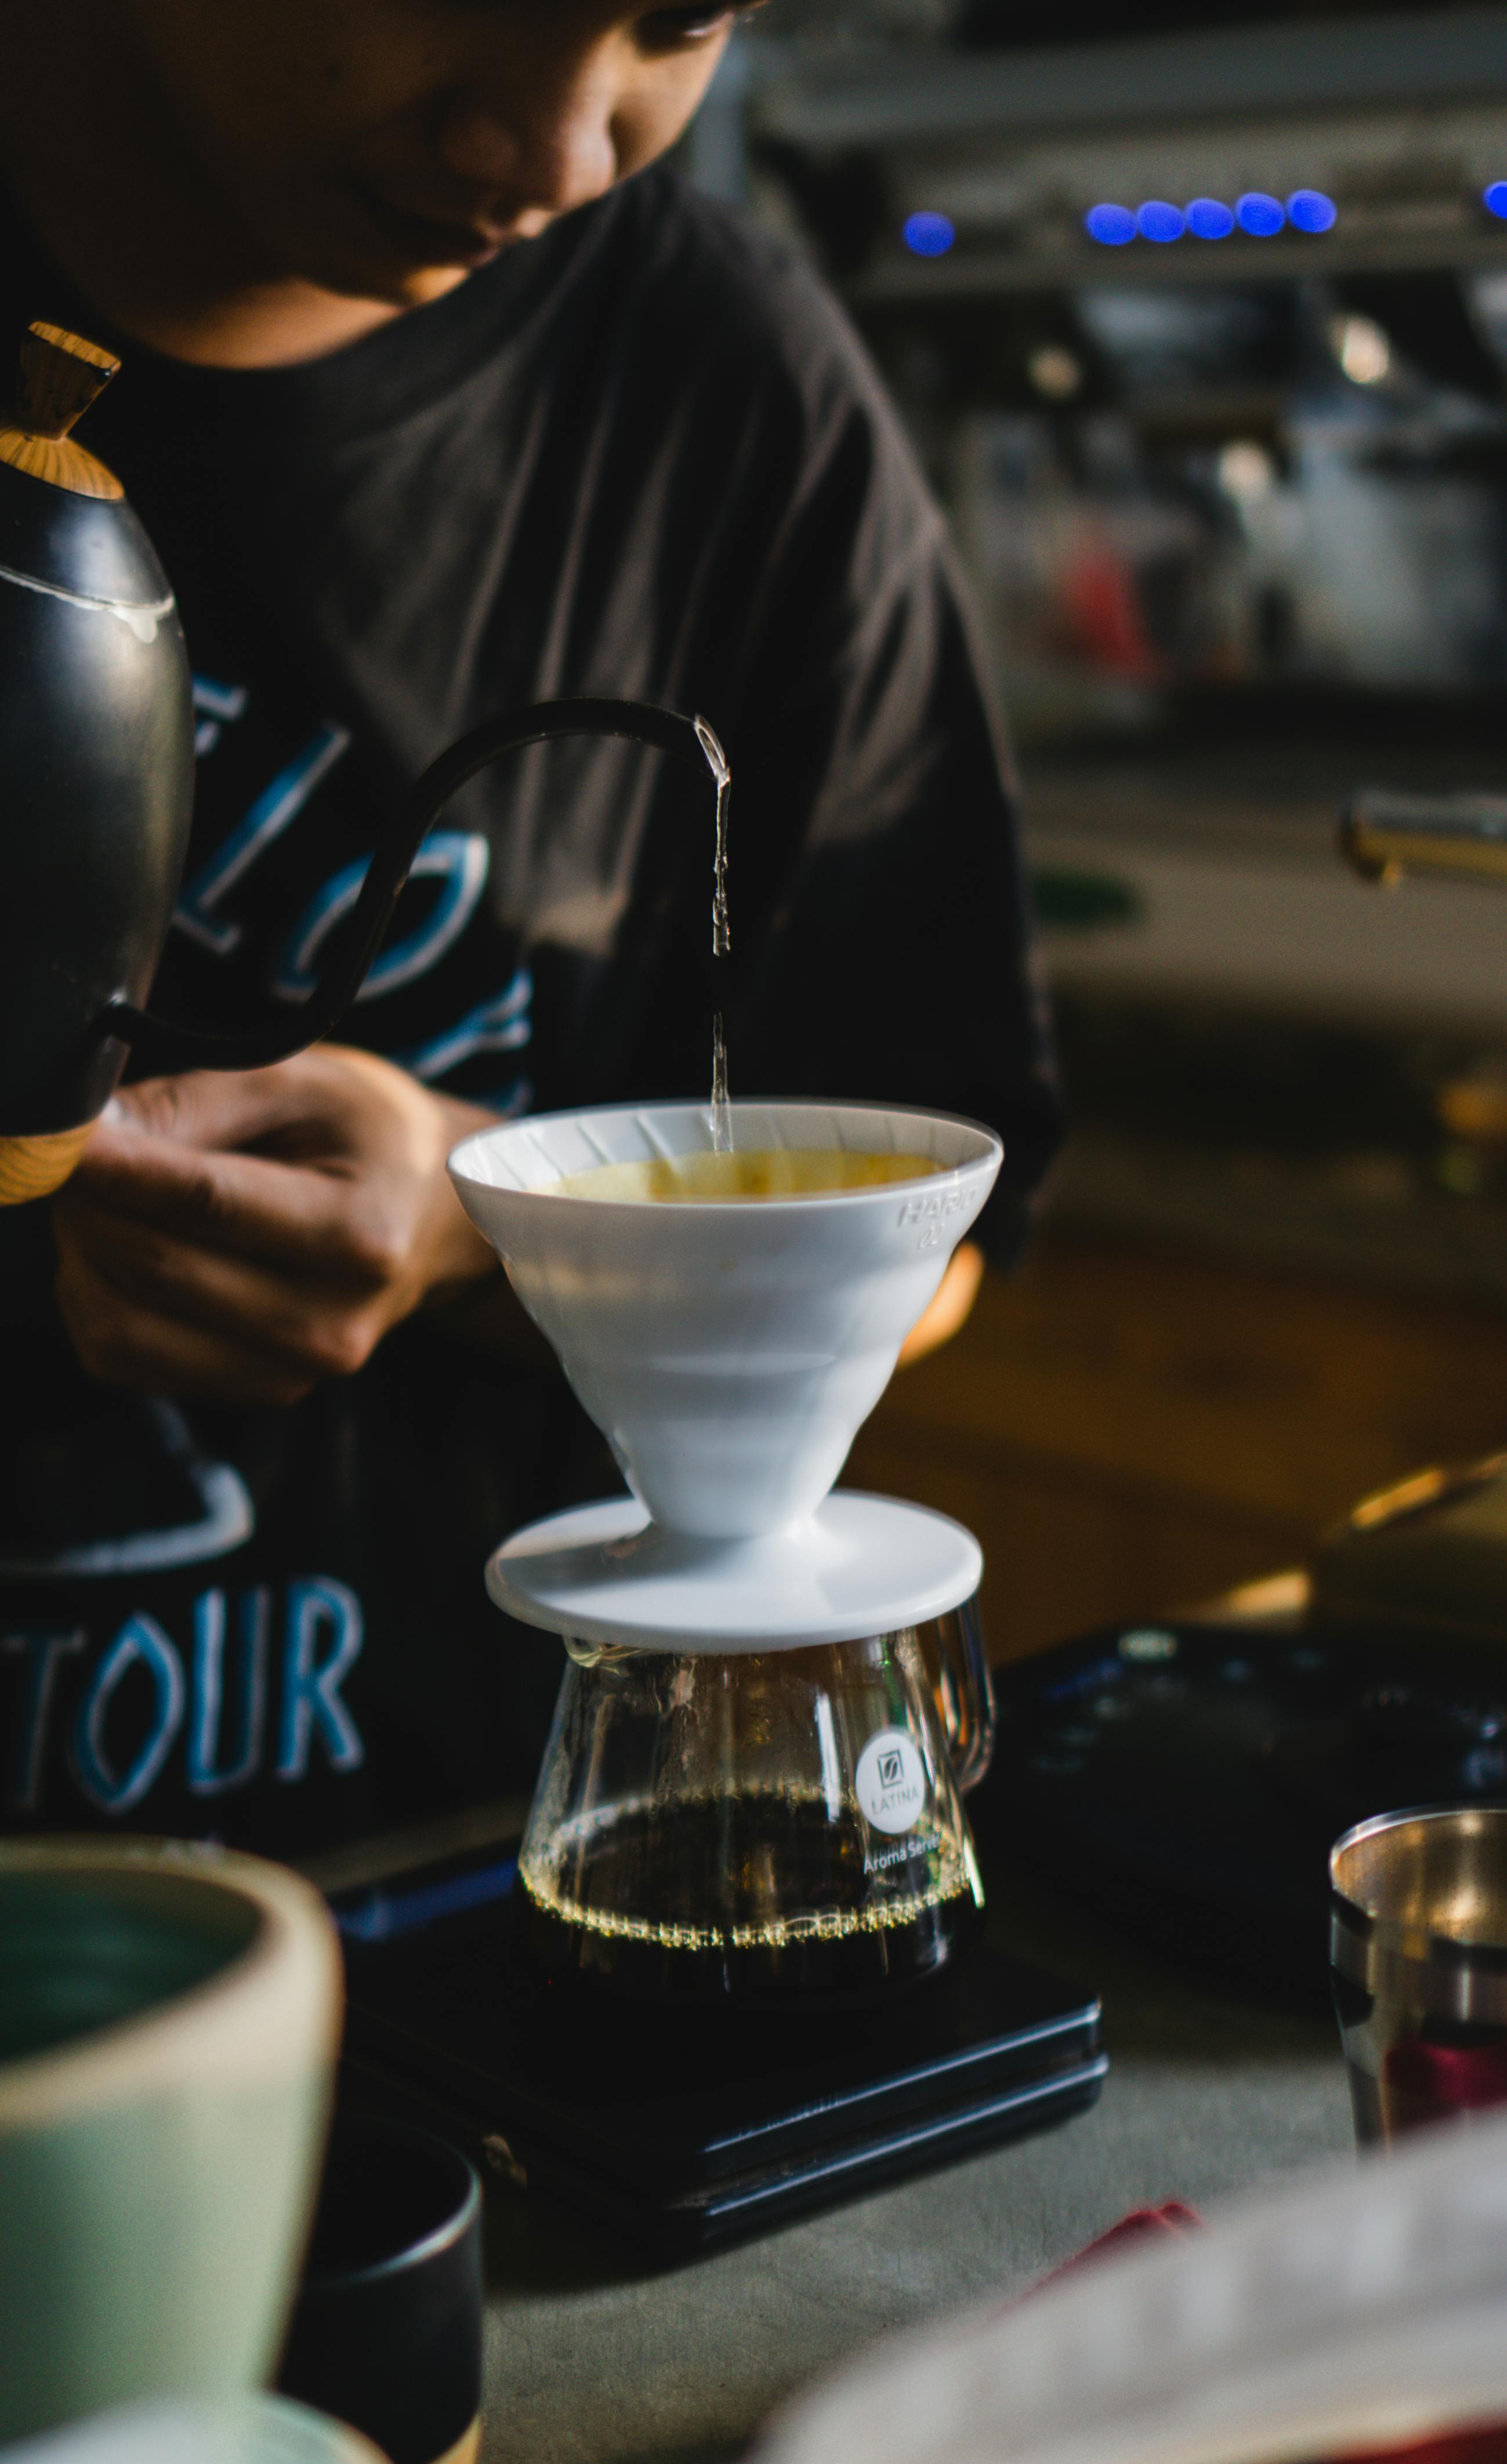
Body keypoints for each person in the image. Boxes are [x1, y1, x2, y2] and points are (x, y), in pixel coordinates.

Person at [0, 0, 1060, 1858]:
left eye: (684, 19)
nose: (567, 152)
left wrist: (506, 1223)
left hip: (464, 1922)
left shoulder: (727, 398)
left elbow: (931, 1240)